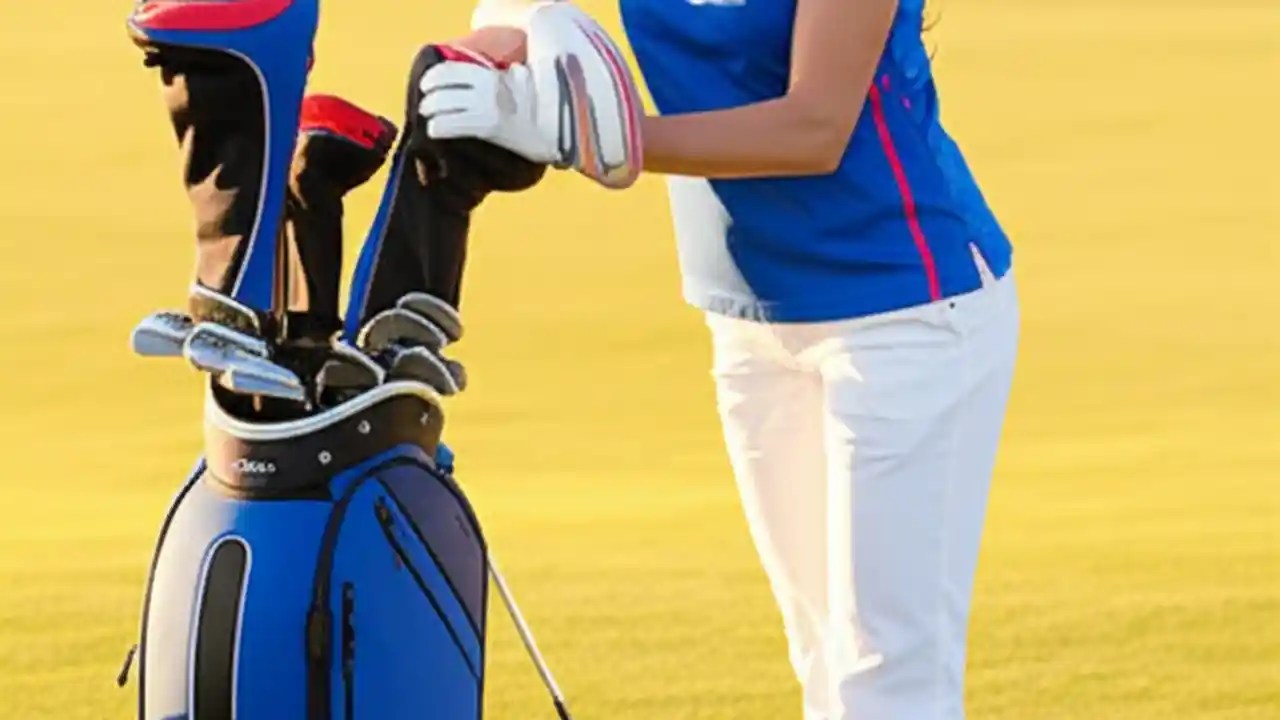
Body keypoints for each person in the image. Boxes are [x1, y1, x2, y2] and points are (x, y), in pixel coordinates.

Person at [432, 1, 1021, 717]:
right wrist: (488, 64)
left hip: (905, 315)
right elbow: (523, 17)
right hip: (749, 320)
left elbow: (814, 128)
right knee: (819, 651)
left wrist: (589, 136)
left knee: (886, 668)